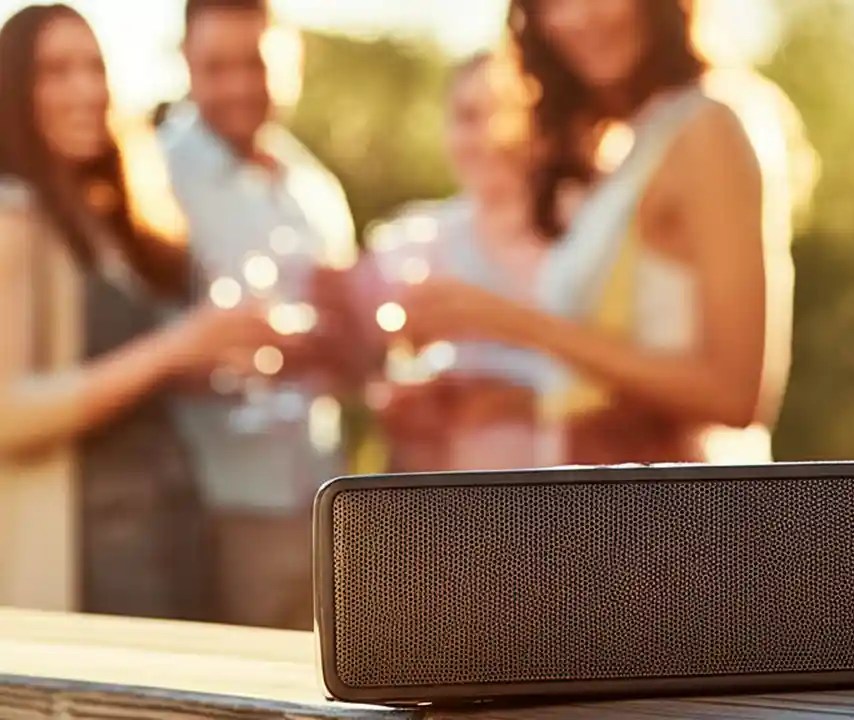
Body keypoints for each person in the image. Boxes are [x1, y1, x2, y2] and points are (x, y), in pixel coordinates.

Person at [402, 0, 791, 465]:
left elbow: (734, 394)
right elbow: (637, 371)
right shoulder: (636, 140)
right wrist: (514, 402)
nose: (579, 16)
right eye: (552, 3)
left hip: (692, 517)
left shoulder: (708, 130)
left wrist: (508, 321)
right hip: (613, 513)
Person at [0, 4, 269, 616]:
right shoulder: (11, 219)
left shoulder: (102, 216)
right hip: (90, 555)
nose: (86, 90)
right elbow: (7, 414)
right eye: (56, 71)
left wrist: (201, 362)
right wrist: (176, 347)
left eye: (95, 67)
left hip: (167, 529)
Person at [158, 0, 358, 629]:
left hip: (324, 505)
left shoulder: (315, 189)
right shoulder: (152, 177)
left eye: (255, 64)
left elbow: (348, 355)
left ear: (289, 60)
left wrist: (342, 334)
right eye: (216, 67)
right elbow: (127, 346)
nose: (238, 86)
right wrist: (214, 350)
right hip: (212, 510)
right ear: (186, 65)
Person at [369, 54, 546, 472]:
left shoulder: (581, 240)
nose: (488, 137)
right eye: (467, 116)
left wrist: (512, 401)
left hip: (568, 497)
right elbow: (374, 366)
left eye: (507, 115)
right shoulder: (412, 239)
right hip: (440, 500)